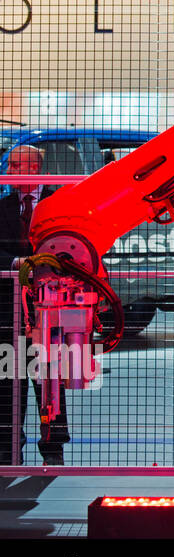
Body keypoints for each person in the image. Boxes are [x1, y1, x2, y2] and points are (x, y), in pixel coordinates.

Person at [0, 145, 69, 465]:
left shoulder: (62, 204)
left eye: (15, 166)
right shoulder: (3, 207)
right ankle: (8, 440)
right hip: (8, 306)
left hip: (50, 305)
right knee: (8, 375)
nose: (9, 171)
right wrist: (18, 263)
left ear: (33, 168)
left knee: (49, 375)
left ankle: (53, 444)